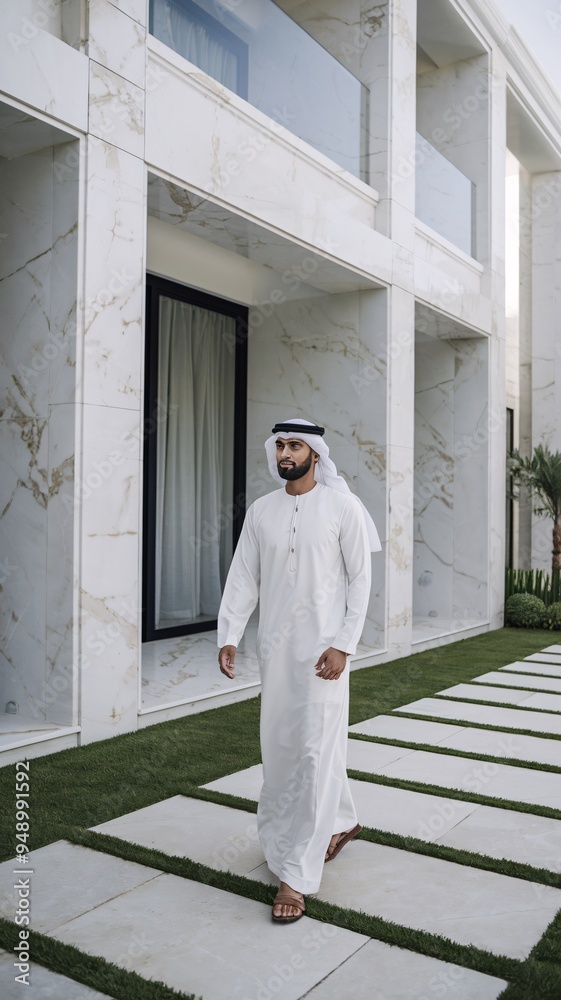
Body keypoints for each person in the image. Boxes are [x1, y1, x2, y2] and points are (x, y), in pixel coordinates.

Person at [217, 418, 381, 923]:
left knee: (312, 751)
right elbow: (244, 574)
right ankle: (342, 821)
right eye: (280, 445)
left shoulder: (342, 507)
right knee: (285, 748)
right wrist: (230, 633)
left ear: (315, 453)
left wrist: (344, 646)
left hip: (323, 658)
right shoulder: (263, 511)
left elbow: (361, 582)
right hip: (277, 655)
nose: (285, 453)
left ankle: (297, 876)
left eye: (295, 445)